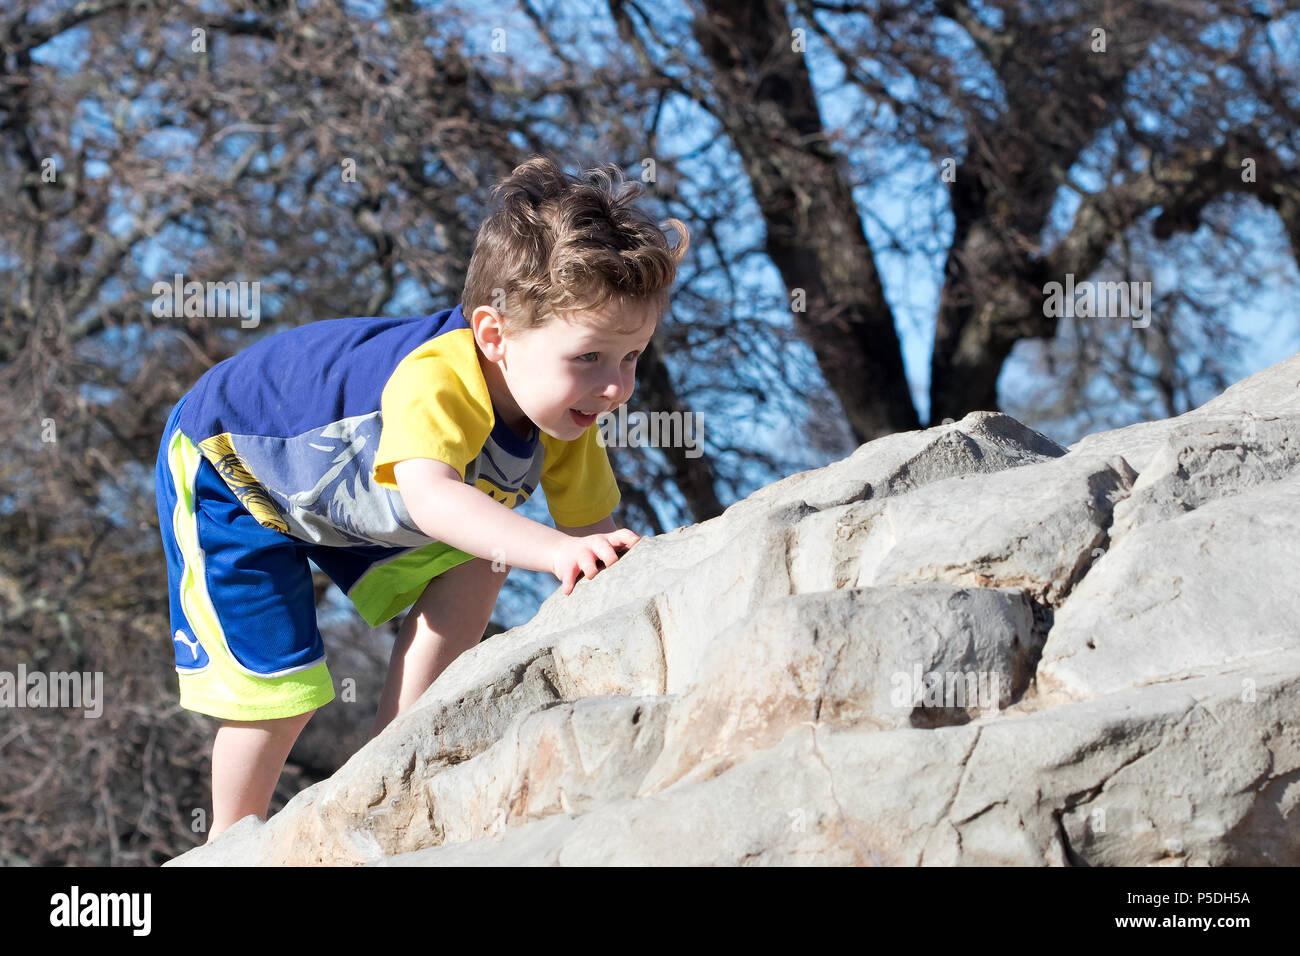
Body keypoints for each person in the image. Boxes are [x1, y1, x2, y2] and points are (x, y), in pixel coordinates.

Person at [153, 156, 690, 841]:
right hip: (231, 463)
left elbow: (599, 545)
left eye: (631, 358)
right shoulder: (439, 380)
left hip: (342, 494)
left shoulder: (569, 418)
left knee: (481, 561)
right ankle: (229, 840)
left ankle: (394, 758)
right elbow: (435, 502)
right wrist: (557, 551)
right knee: (283, 686)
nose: (616, 386)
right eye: (589, 357)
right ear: (495, 337)